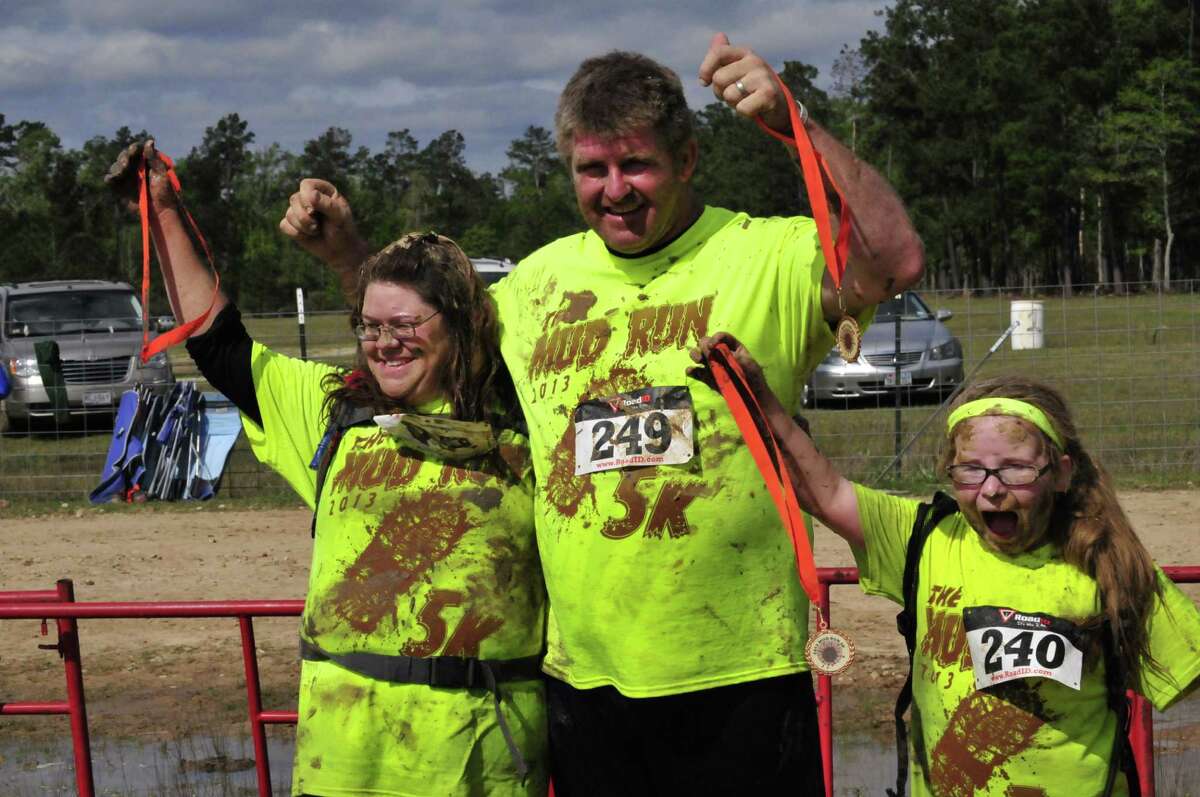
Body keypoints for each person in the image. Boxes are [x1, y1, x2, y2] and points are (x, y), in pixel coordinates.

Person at [280, 34, 924, 793]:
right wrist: (346, 252)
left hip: (742, 671)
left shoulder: (766, 255)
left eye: (636, 164)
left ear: (685, 160)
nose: (615, 188)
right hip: (586, 685)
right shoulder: (538, 283)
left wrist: (797, 125)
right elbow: (431, 333)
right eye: (593, 168)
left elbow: (895, 259)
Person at [107, 142, 548, 796]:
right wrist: (165, 211)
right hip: (341, 757)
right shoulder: (335, 413)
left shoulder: (524, 421)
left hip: (474, 757)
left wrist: (349, 251)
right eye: (369, 326)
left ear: (462, 324)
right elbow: (219, 345)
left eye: (405, 323)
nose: (383, 342)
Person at [690, 331, 1200, 796]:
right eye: (971, 471)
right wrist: (754, 394)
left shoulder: (1109, 564)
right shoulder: (927, 538)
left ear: (1061, 473)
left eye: (1016, 470)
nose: (992, 490)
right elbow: (822, 491)